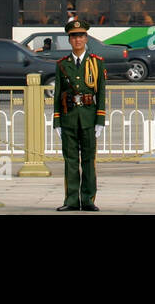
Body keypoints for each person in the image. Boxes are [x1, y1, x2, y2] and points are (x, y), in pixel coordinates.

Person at [52, 18, 108, 211]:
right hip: (68, 118)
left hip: (88, 118)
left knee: (88, 161)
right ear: (69, 40)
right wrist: (57, 121)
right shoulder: (62, 64)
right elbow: (58, 95)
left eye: (81, 36)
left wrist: (100, 120)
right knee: (70, 161)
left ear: (86, 38)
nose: (77, 40)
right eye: (74, 36)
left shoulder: (96, 63)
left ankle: (88, 199)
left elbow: (101, 93)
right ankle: (71, 201)